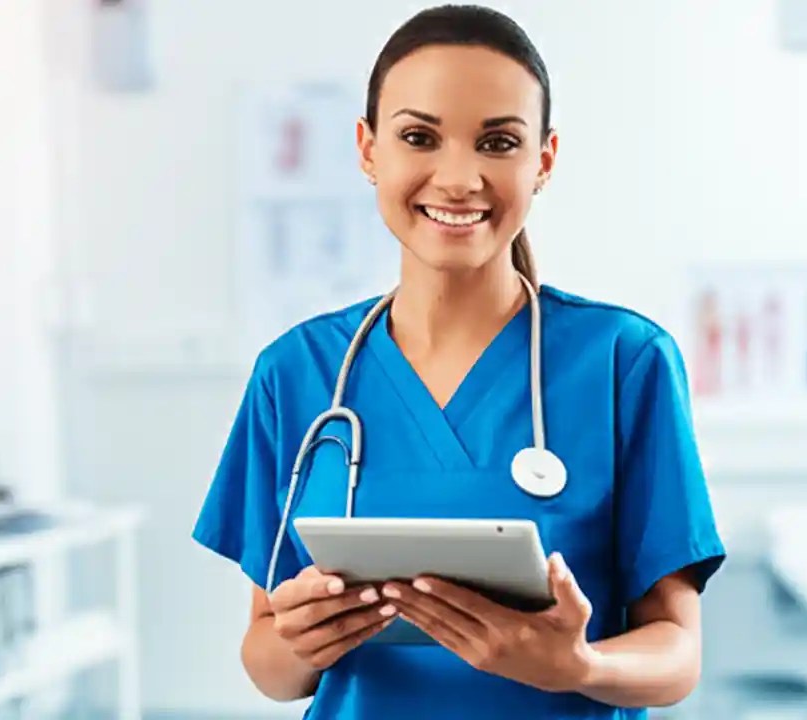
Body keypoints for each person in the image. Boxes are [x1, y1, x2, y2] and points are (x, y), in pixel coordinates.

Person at [193, 5, 726, 718]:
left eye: (498, 142)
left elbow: (678, 654)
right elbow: (267, 665)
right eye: (419, 137)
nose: (458, 178)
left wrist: (578, 664)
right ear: (368, 149)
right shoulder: (296, 375)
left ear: (543, 161)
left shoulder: (624, 365)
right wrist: (303, 640)